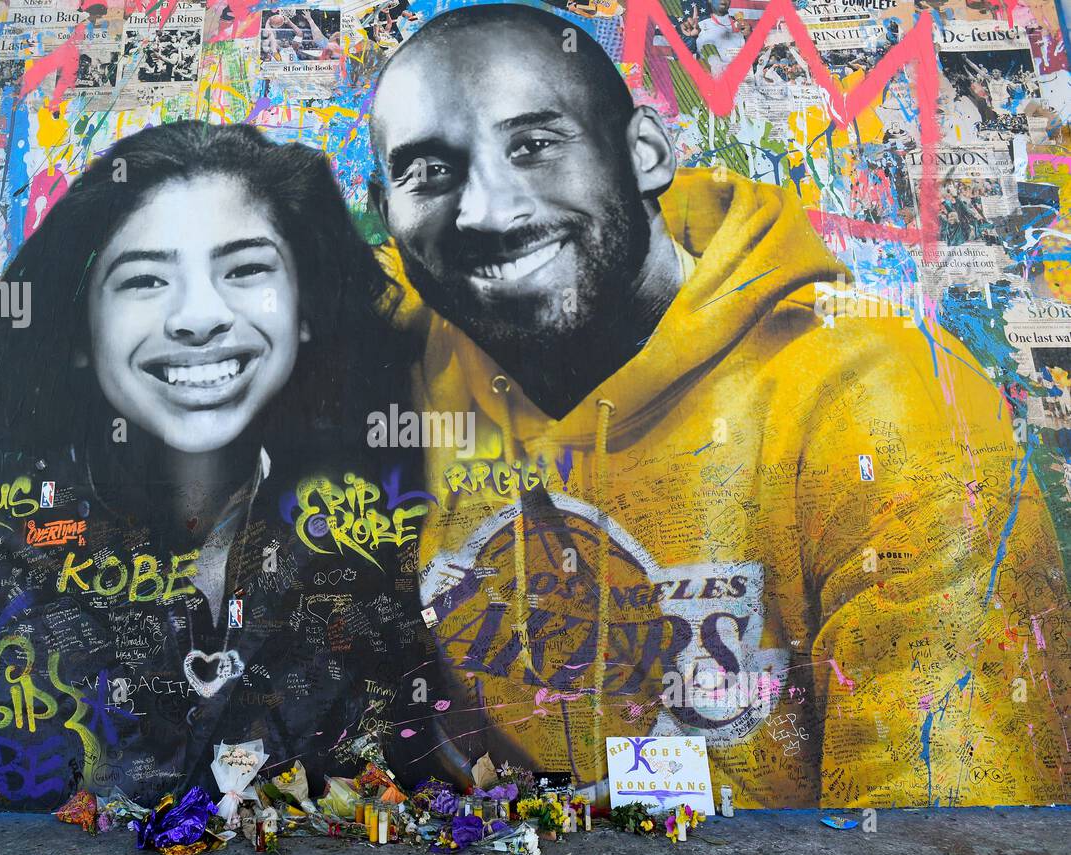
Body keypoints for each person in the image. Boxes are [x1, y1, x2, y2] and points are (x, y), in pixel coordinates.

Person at [369, 4, 1071, 808]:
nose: (486, 212)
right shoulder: (387, 348)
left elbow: (946, 847)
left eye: (533, 145)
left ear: (645, 153)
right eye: (427, 172)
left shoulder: (880, 403)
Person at [0, 122, 427, 809]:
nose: (198, 318)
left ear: (303, 311)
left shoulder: (363, 550)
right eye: (146, 279)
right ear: (83, 332)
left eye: (244, 268)